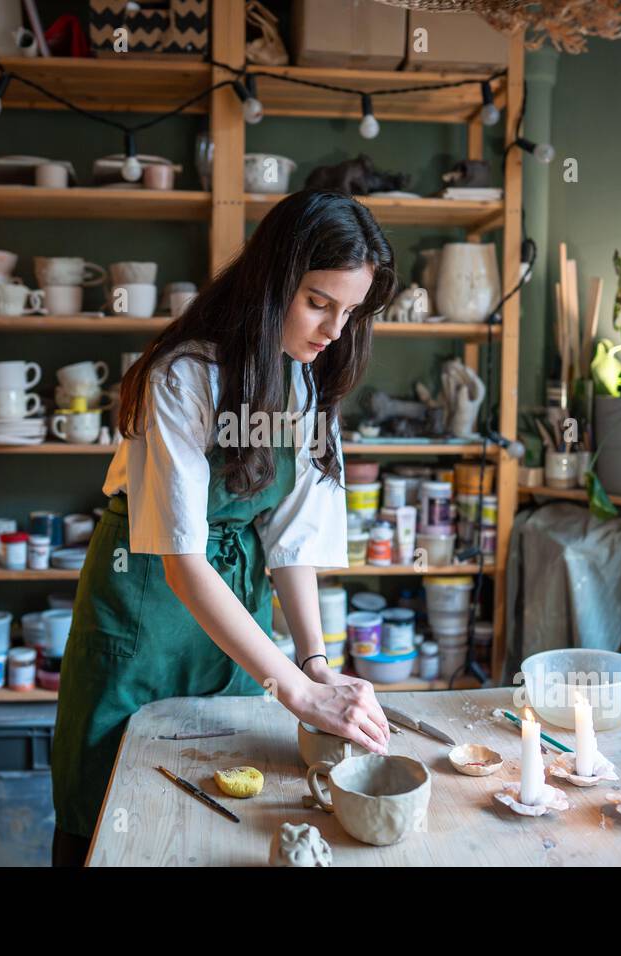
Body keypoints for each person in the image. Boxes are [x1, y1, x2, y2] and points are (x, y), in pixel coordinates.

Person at [50, 189, 398, 866]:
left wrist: (314, 666)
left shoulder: (302, 381)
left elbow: (289, 541)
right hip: (145, 596)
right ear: (272, 284)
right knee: (117, 805)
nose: (333, 329)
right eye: (318, 302)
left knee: (225, 792)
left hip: (234, 597)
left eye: (349, 311)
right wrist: (292, 690)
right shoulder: (184, 376)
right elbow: (181, 561)